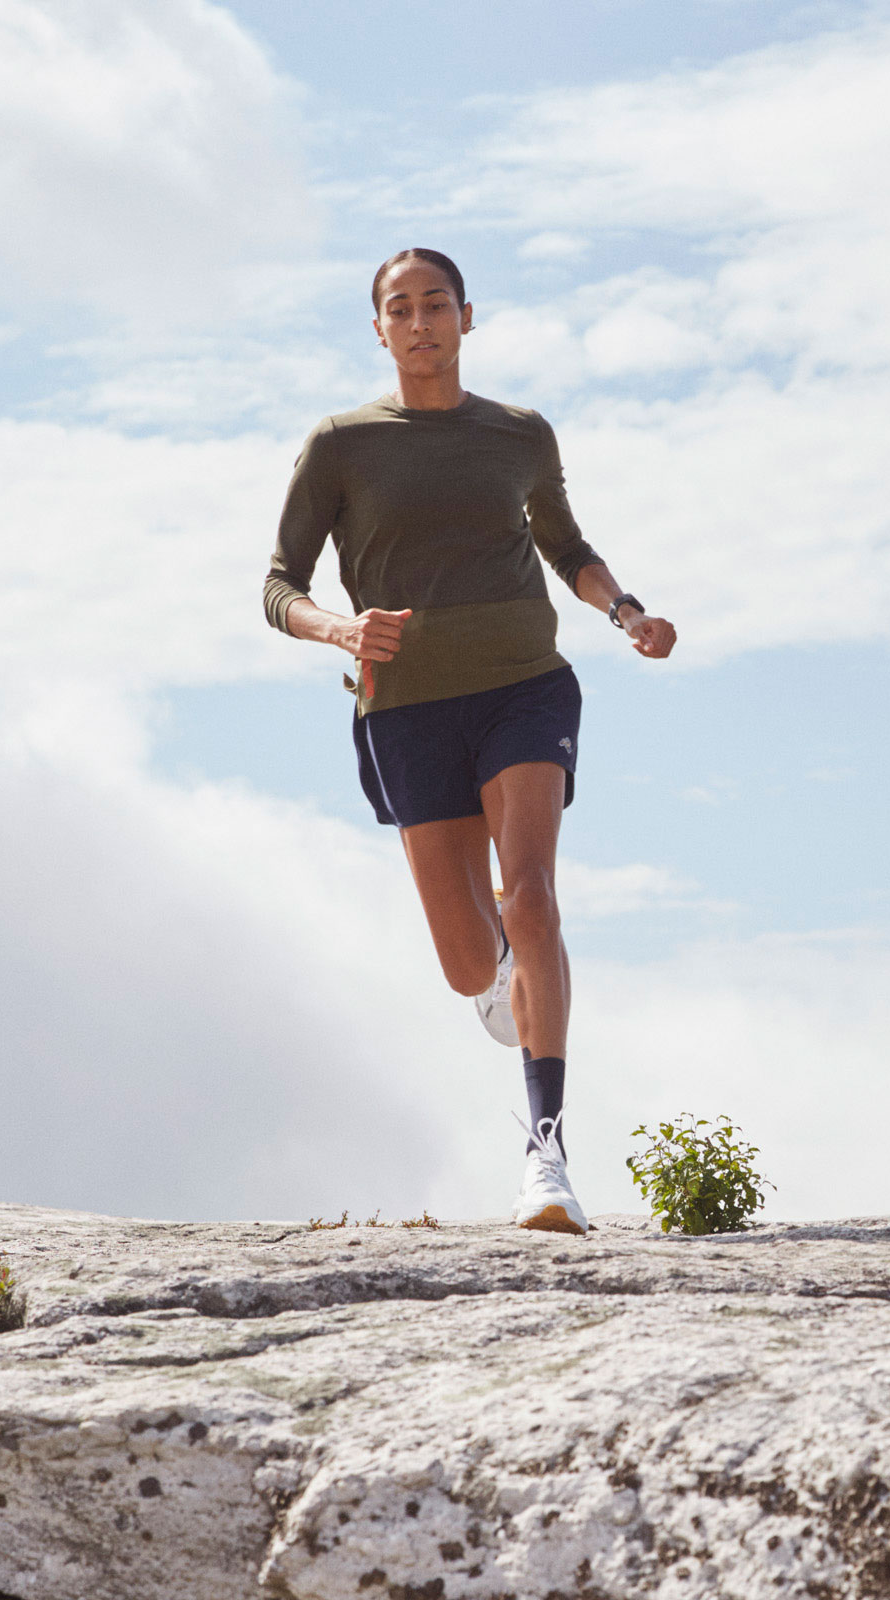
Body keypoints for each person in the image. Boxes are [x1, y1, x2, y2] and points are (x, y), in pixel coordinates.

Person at [262, 248, 677, 1236]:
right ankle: (502, 970)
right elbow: (279, 582)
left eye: (435, 304)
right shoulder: (340, 445)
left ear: (466, 316)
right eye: (399, 309)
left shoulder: (519, 434)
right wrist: (341, 629)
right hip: (405, 708)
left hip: (524, 689)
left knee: (533, 893)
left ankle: (546, 1157)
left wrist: (624, 610)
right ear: (379, 330)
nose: (420, 323)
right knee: (465, 963)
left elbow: (565, 546)